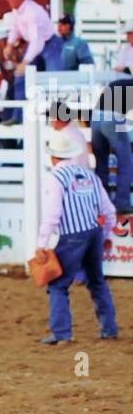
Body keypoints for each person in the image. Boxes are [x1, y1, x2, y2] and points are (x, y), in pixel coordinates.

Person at [36, 131, 118, 345]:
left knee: (58, 285)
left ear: (53, 157)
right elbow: (108, 211)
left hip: (72, 236)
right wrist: (106, 234)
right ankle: (109, 328)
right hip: (93, 232)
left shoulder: (55, 178)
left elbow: (52, 215)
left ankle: (62, 333)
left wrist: (41, 244)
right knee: (97, 281)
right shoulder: (90, 176)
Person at [0, 0, 61, 124]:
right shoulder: (17, 11)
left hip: (50, 44)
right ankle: (18, 116)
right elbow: (16, 28)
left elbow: (37, 41)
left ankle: (57, 114)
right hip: (39, 44)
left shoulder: (33, 13)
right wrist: (9, 44)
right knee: (20, 77)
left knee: (54, 79)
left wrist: (25, 62)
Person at [89, 77, 133, 213]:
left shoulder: (120, 83)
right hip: (112, 119)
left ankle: (102, 203)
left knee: (101, 162)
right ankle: (121, 202)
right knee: (126, 163)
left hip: (96, 117)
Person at [47, 101, 91, 169]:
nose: (51, 121)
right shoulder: (74, 133)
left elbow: (73, 164)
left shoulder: (66, 137)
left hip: (72, 176)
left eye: (52, 117)